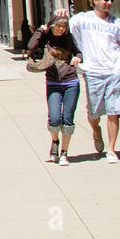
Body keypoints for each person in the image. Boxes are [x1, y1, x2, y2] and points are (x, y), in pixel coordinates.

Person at [68, 0, 120, 162]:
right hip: (93, 73)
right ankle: (96, 130)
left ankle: (111, 149)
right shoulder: (82, 20)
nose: (109, 3)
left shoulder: (117, 23)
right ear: (95, 0)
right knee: (93, 112)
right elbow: (65, 27)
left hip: (113, 73)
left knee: (114, 111)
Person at [28, 14, 82, 165]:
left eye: (64, 26)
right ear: (51, 26)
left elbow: (78, 52)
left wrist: (77, 58)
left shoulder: (69, 38)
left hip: (71, 81)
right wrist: (41, 30)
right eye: (58, 26)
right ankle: (55, 141)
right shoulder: (45, 39)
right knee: (54, 118)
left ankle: (64, 152)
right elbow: (31, 46)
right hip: (53, 83)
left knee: (68, 119)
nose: (61, 29)